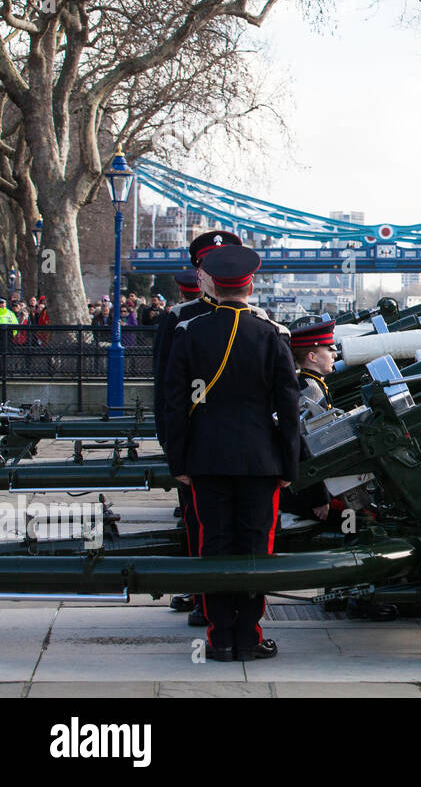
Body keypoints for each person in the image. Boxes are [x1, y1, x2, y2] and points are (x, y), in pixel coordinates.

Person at [163, 244, 300, 662]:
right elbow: (288, 406)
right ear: (250, 284)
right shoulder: (271, 334)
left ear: (212, 285)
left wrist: (179, 462)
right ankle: (249, 635)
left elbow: (174, 404)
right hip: (260, 461)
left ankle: (219, 637)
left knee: (214, 545)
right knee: (257, 546)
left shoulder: (190, 332)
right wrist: (288, 464)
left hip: (206, 458)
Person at [154, 231, 242, 624]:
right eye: (211, 264)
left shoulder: (256, 321)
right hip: (196, 443)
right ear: (200, 271)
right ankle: (204, 597)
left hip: (242, 445)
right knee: (200, 525)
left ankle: (235, 605)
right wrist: (176, 449)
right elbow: (165, 393)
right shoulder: (179, 319)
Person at [283, 319, 337, 522]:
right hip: (306, 493)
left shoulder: (311, 383)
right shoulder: (311, 390)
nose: (334, 355)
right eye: (328, 349)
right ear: (312, 356)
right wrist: (319, 498)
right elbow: (309, 448)